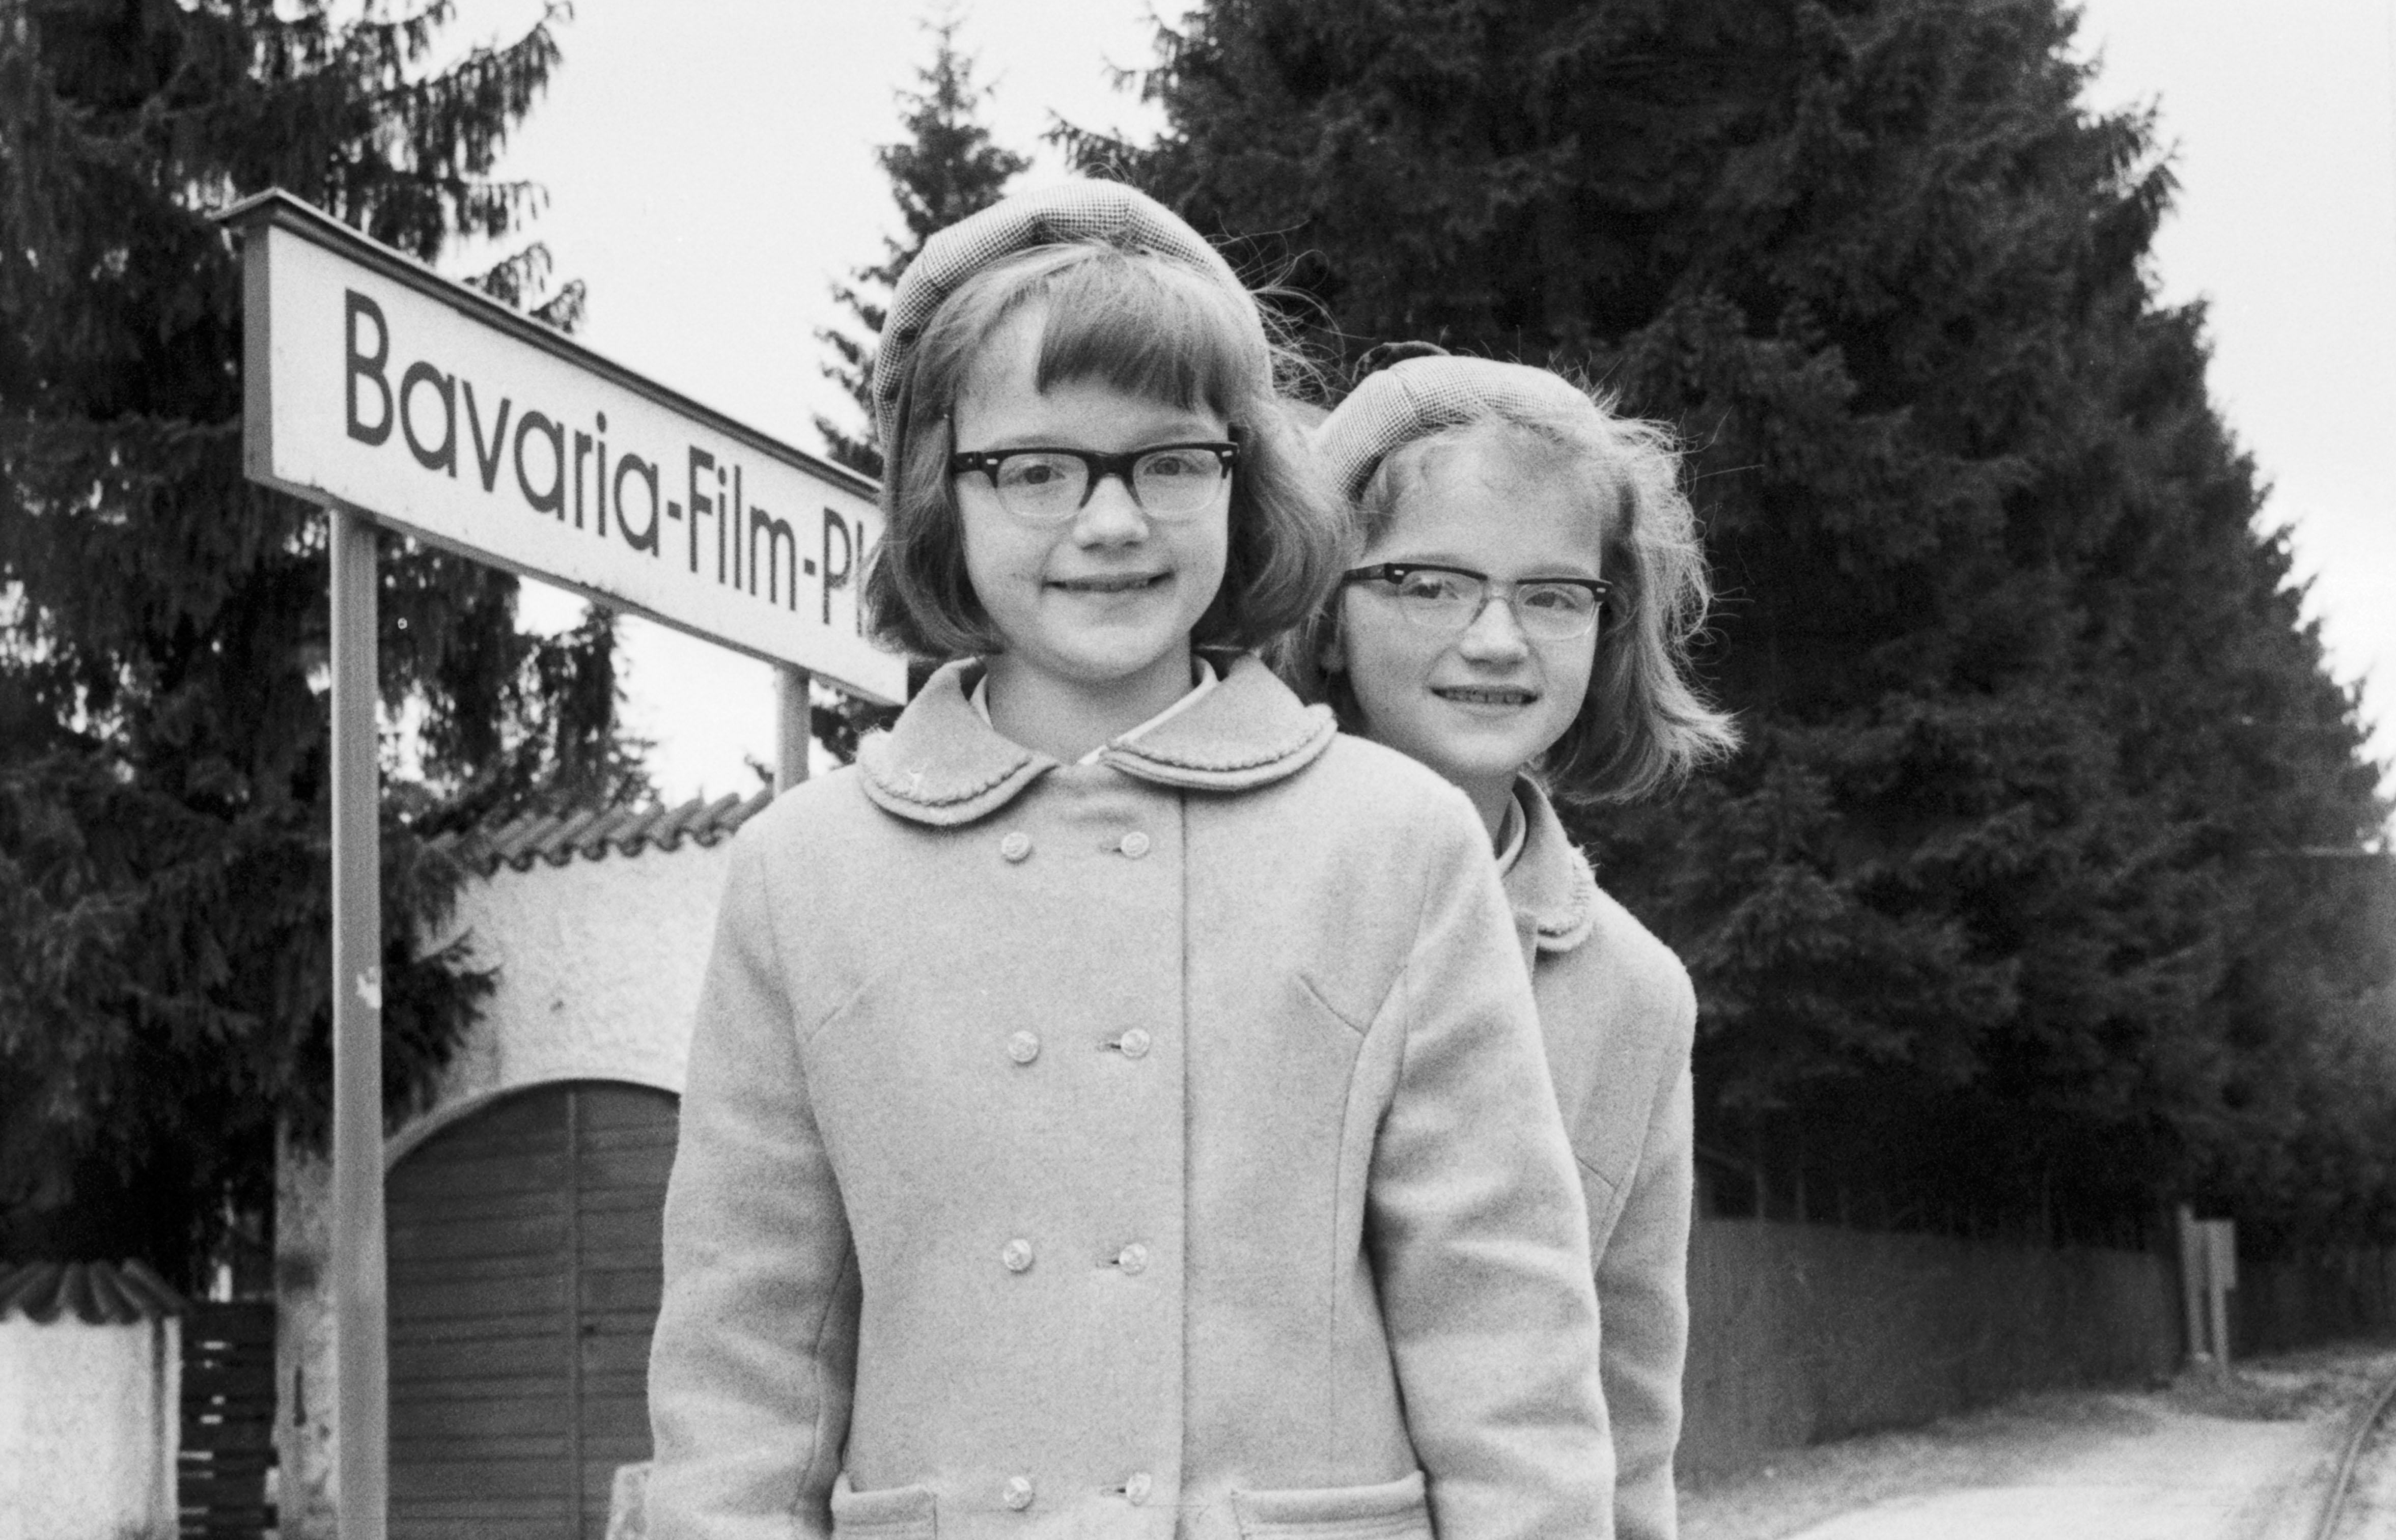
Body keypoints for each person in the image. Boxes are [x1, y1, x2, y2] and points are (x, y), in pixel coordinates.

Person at [646, 186, 1616, 1540]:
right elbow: (744, 1369)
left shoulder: (1390, 841)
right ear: (942, 491)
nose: (1111, 522)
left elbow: (1501, 1332)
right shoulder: (801, 874)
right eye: (1037, 469)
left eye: (1169, 461)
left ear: (1240, 479)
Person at [1294, 352, 1738, 1540]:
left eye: (1552, 595)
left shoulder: (1636, 992)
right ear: (1325, 615)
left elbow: (1625, 1417)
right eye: (1432, 584)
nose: (1498, 639)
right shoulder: (1215, 889)